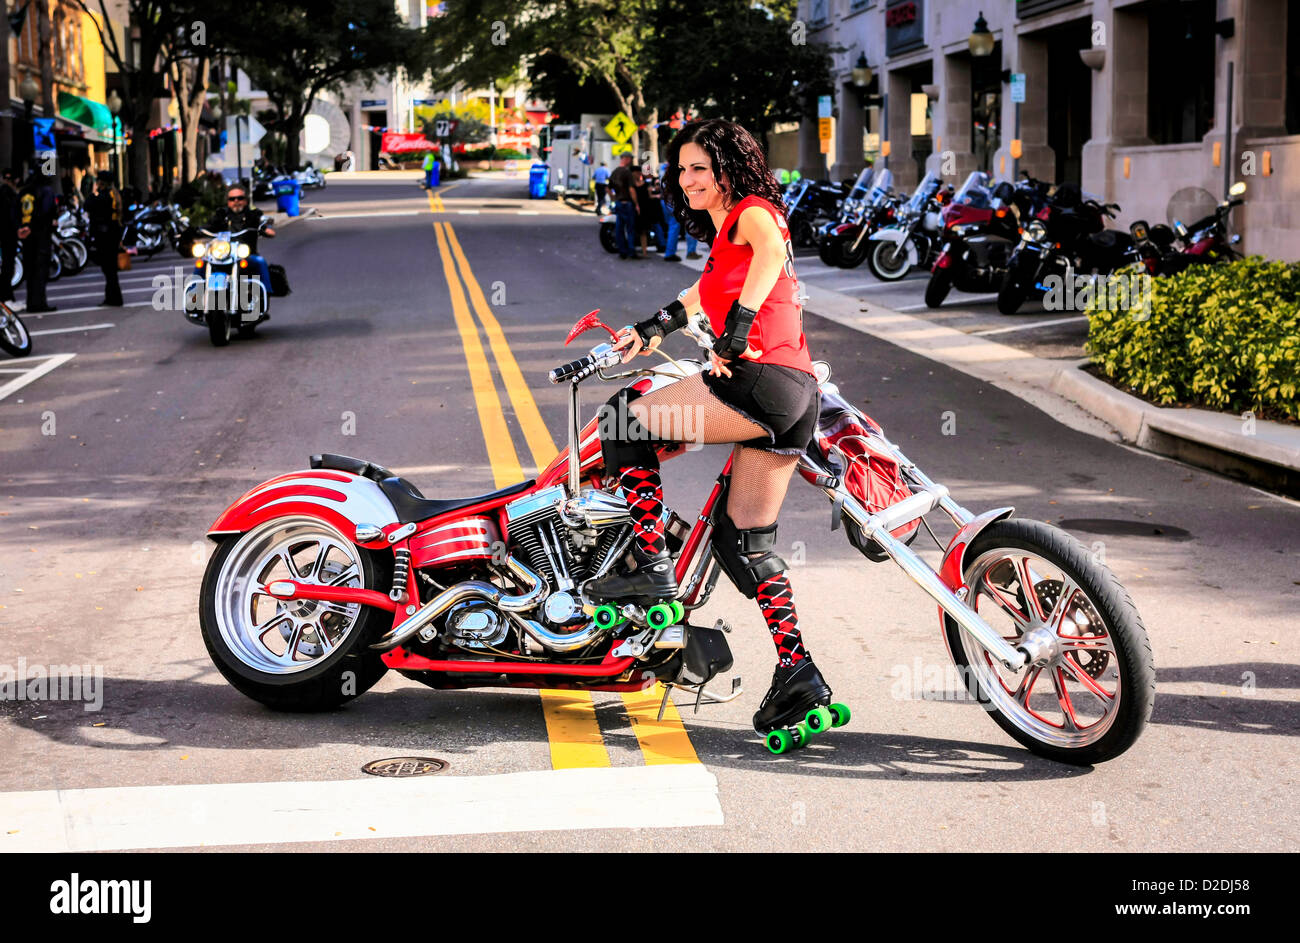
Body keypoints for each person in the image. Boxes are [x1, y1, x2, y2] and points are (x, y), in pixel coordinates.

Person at [584, 118, 828, 739]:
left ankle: (650, 567)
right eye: (682, 169)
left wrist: (740, 330)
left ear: (729, 168)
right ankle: (799, 674)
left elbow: (771, 255)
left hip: (758, 379)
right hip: (795, 398)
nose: (688, 179)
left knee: (622, 422)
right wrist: (648, 330)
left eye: (700, 167)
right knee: (749, 544)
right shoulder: (726, 237)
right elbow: (694, 296)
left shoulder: (753, 211)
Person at [203, 184, 276, 300]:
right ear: (228, 201)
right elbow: (208, 227)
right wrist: (194, 230)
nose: (236, 201)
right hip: (222, 255)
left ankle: (266, 293)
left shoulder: (253, 214)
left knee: (260, 261)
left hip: (246, 255)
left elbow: (268, 229)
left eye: (240, 198)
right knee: (202, 263)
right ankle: (194, 297)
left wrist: (264, 229)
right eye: (232, 199)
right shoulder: (221, 215)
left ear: (245, 200)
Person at [18, 168, 58, 313]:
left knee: (30, 270)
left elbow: (15, 211)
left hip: (26, 235)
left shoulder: (24, 192)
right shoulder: (46, 191)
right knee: (40, 271)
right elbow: (47, 210)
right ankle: (39, 302)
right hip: (40, 235)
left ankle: (31, 302)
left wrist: (21, 227)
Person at [86, 170, 124, 307]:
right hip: (112, 234)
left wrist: (93, 192)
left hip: (104, 235)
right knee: (111, 269)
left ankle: (114, 298)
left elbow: (88, 205)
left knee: (109, 269)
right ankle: (113, 296)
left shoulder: (102, 196)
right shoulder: (114, 194)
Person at [607, 152, 637, 260]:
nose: (631, 161)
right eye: (630, 159)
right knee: (630, 229)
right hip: (627, 203)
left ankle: (622, 251)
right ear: (626, 159)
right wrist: (636, 204)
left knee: (619, 228)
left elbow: (608, 188)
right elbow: (631, 189)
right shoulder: (627, 172)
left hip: (619, 203)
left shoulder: (615, 172)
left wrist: (613, 198)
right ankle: (631, 251)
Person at [635, 167, 665, 258]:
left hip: (654, 208)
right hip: (647, 208)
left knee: (656, 225)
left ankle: (661, 244)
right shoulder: (642, 182)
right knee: (653, 226)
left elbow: (657, 189)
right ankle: (659, 243)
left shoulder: (655, 181)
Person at [0, 170, 19, 304]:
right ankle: (6, 297)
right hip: (8, 234)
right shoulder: (8, 194)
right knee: (7, 267)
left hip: (6, 234)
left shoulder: (5, 192)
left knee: (7, 266)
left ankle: (7, 297)